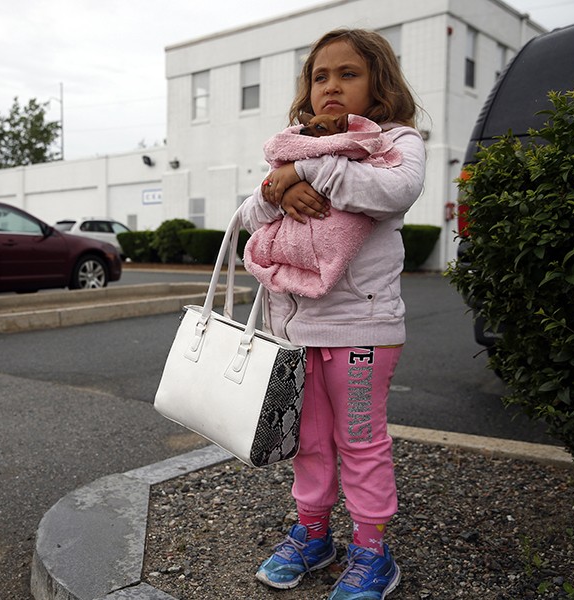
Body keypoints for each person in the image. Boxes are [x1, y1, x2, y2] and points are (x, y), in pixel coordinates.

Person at [241, 28, 426, 599]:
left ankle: (372, 552)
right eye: (321, 76)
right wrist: (278, 190)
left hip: (363, 328)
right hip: (296, 330)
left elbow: (396, 189)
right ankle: (314, 535)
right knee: (311, 441)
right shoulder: (293, 145)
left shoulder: (396, 140)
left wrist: (308, 173)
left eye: (349, 74)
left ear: (379, 82)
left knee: (361, 441)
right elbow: (249, 215)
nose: (332, 86)